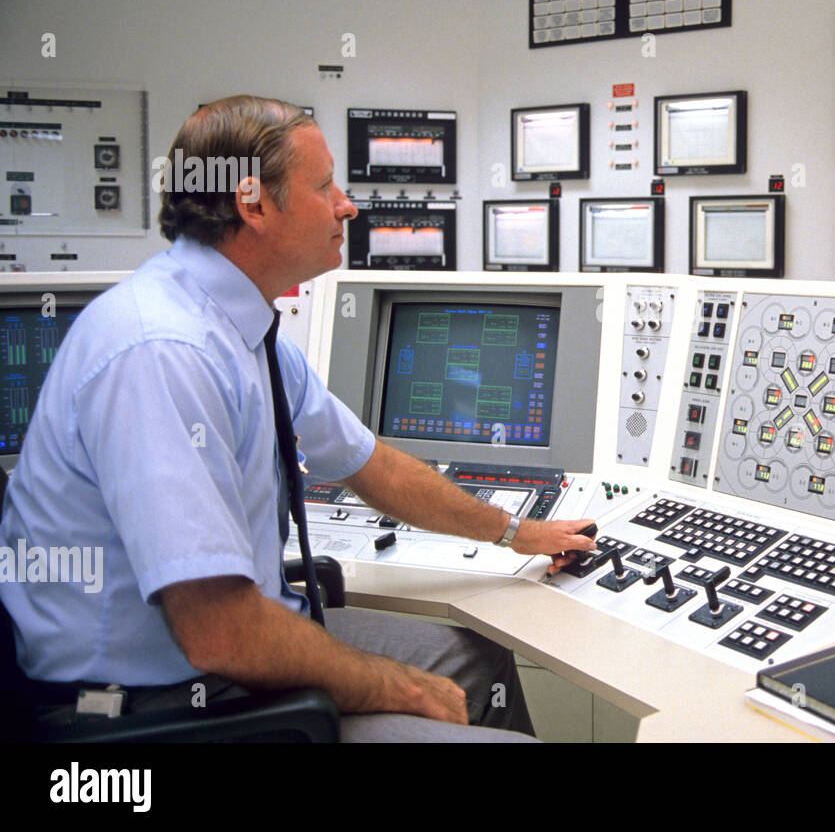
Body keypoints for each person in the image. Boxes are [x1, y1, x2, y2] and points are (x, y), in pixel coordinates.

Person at [0, 95, 596, 741]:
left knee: (478, 664)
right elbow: (219, 633)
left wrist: (516, 534)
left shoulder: (239, 327)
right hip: (160, 704)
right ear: (254, 205)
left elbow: (369, 464)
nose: (348, 204)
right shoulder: (163, 350)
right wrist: (400, 687)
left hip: (231, 646)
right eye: (324, 185)